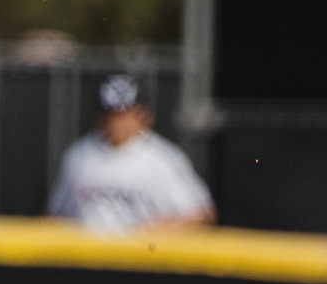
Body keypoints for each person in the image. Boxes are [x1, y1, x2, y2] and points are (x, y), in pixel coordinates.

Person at [47, 75, 216, 234]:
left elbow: (203, 215)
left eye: (125, 114)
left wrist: (161, 230)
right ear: (99, 116)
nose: (117, 122)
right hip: (88, 257)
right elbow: (54, 215)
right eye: (111, 114)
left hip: (142, 259)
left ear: (144, 116)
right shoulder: (80, 155)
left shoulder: (163, 158)